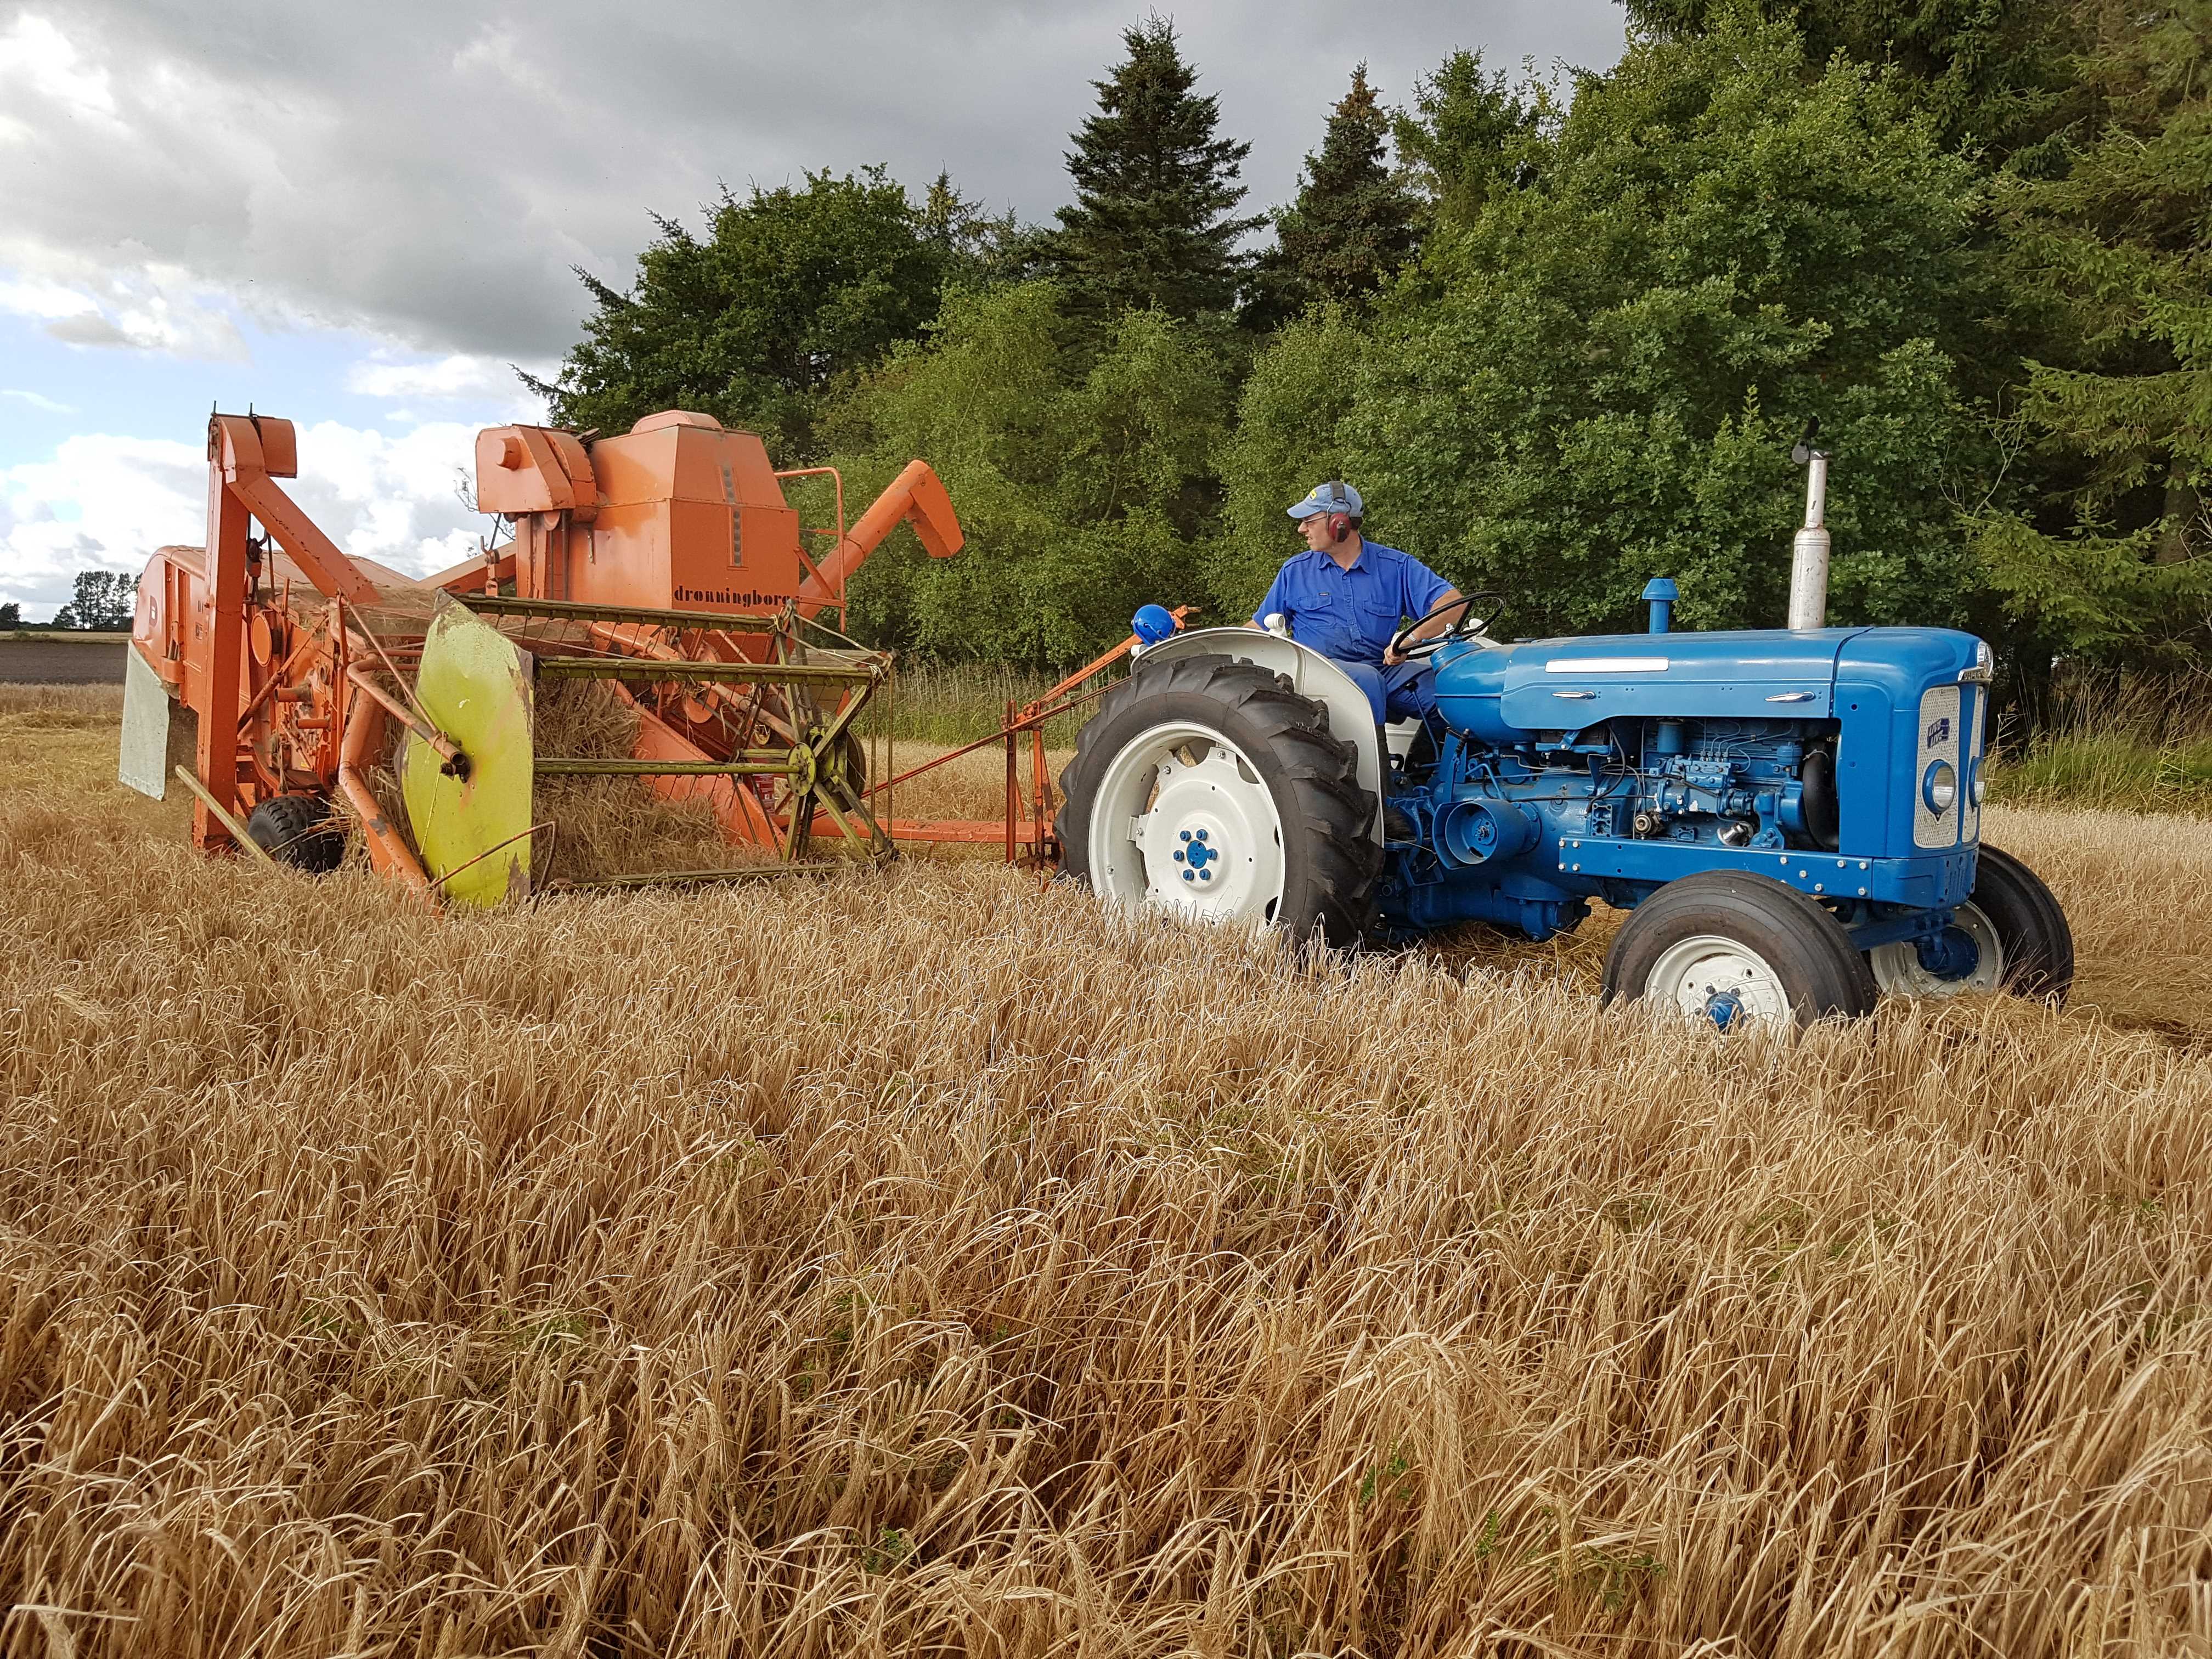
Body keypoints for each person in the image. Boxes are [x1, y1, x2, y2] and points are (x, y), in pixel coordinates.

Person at [1248, 479, 1464, 729]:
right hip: (1318, 675)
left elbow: (1454, 606)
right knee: (1365, 679)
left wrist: (1410, 640)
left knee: (1451, 695)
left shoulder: (1396, 567)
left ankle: (1433, 765)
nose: (1301, 529)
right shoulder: (1295, 572)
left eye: (1309, 521)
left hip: (1382, 670)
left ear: (1339, 524)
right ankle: (1376, 767)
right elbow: (1258, 627)